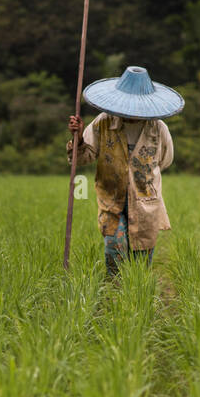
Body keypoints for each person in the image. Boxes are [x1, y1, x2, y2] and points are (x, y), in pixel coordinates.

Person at [66, 66, 184, 277]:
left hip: (145, 202)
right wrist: (79, 139)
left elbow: (164, 161)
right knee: (114, 248)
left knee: (142, 261)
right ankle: (115, 297)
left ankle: (135, 298)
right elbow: (84, 157)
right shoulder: (103, 123)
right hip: (112, 199)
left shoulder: (158, 129)